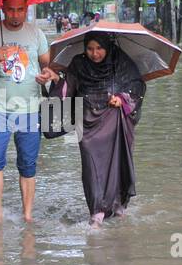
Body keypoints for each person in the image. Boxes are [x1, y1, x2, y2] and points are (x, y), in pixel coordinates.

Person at [0, 0, 56, 228]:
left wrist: (47, 75)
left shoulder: (36, 34)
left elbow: (48, 65)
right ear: (2, 9)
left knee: (28, 164)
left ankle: (27, 215)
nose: (15, 15)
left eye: (20, 10)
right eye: (10, 10)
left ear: (26, 9)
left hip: (30, 109)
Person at [54, 30, 146, 228]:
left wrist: (121, 98)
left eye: (99, 49)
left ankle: (118, 204)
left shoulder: (120, 61)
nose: (94, 54)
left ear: (107, 47)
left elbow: (137, 86)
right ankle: (96, 211)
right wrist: (54, 80)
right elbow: (66, 88)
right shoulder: (78, 64)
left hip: (115, 120)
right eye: (90, 49)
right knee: (91, 167)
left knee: (117, 162)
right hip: (86, 121)